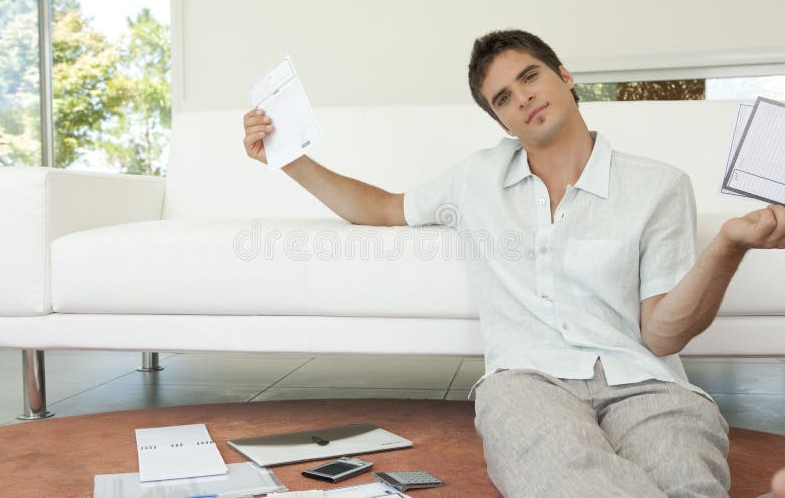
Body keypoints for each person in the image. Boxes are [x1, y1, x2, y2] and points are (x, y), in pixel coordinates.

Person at [242, 29, 785, 497]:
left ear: (565, 76)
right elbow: (381, 208)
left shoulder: (660, 186)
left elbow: (663, 336)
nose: (523, 97)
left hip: (647, 381)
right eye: (503, 98)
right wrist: (287, 158)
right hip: (527, 380)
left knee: (687, 474)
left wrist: (728, 245)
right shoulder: (474, 179)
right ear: (501, 121)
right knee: (563, 474)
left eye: (530, 77)